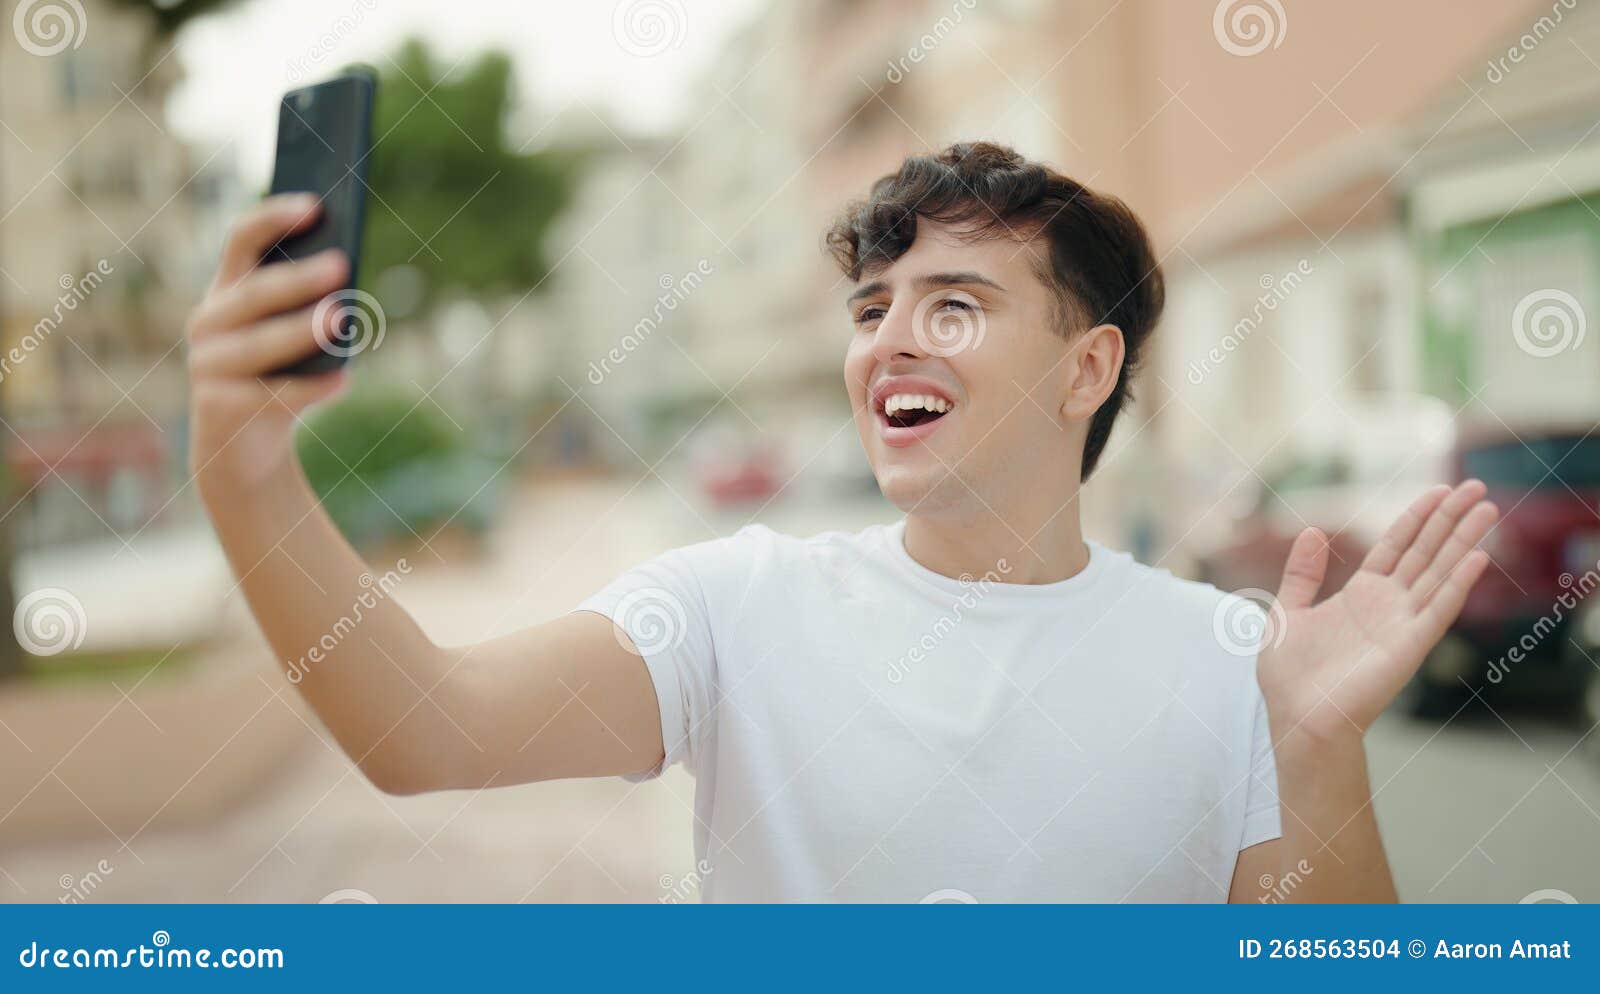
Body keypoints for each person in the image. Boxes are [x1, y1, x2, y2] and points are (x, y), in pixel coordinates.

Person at [184, 141, 1498, 902]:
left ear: (1086, 370)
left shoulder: (1232, 664)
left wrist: (1313, 748)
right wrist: (247, 477)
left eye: (955, 304)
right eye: (874, 307)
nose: (889, 343)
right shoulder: (735, 607)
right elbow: (426, 729)